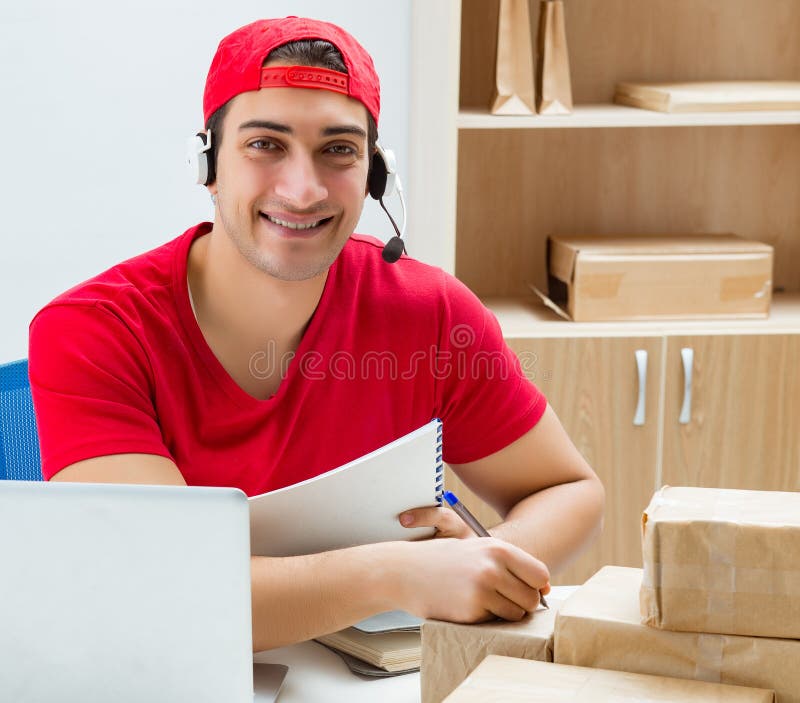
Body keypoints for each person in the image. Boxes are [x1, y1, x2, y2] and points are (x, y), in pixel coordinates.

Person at [28, 16, 604, 651]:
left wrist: (494, 562)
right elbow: (169, 594)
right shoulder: (92, 332)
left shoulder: (430, 313)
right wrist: (394, 573)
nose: (302, 190)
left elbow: (568, 489)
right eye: (265, 144)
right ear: (208, 165)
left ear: (373, 176)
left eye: (338, 149)